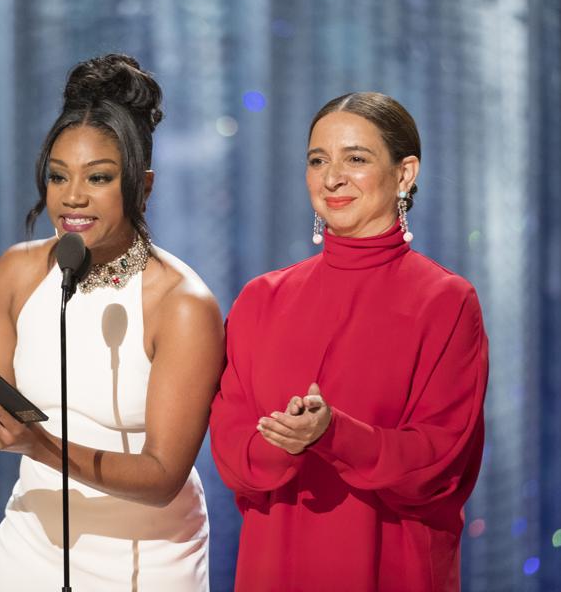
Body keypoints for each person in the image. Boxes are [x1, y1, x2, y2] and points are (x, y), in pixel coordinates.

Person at [0, 54, 224, 591]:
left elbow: (162, 478)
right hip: (32, 541)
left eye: (98, 177)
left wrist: (38, 446)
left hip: (148, 556)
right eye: (58, 176)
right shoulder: (18, 272)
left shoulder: (182, 303)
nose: (72, 196)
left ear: (142, 186)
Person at [209, 92, 489, 591]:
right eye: (318, 161)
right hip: (275, 567)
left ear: (404, 174)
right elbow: (232, 452)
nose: (332, 178)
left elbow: (440, 461)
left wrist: (334, 434)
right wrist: (290, 442)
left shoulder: (446, 301)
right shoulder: (260, 300)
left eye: (355, 159)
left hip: (392, 568)